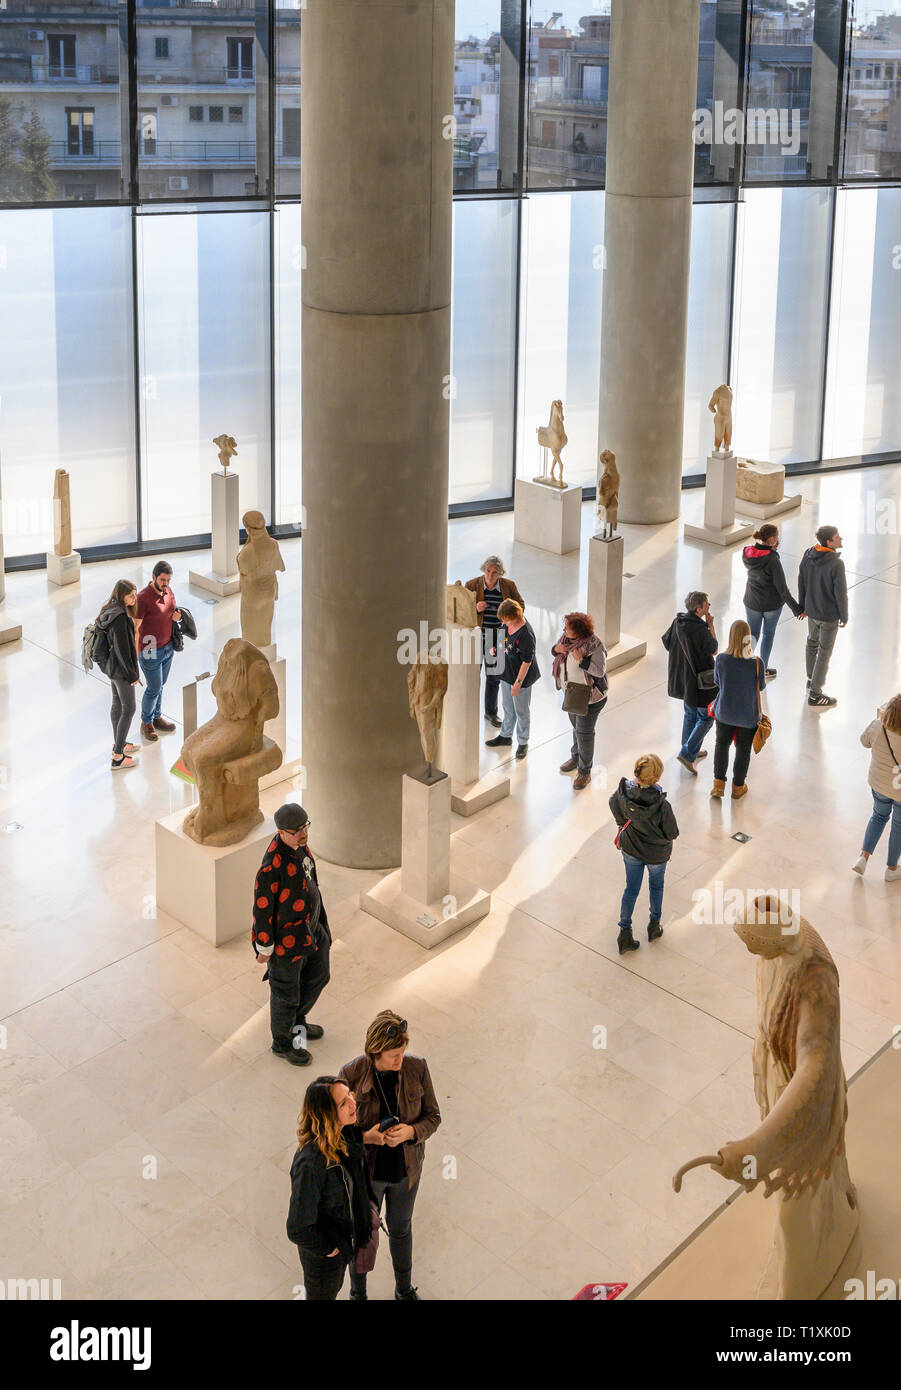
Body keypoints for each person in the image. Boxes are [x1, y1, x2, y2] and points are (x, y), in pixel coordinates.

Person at [339, 1011, 441, 1302]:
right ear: (375, 1050)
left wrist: (411, 1131)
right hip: (367, 1173)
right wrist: (369, 1137)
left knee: (401, 1229)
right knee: (362, 1234)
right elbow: (336, 1133)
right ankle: (358, 1293)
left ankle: (404, 1289)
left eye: (403, 1052)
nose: (400, 1060)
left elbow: (433, 1116)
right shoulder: (350, 1075)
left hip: (405, 1170)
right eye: (394, 1054)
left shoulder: (416, 1068)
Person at [252, 803, 331, 1066]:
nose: (302, 834)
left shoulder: (302, 848)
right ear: (281, 832)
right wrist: (264, 945)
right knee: (285, 992)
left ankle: (298, 1020)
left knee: (319, 976)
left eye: (304, 827)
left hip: (312, 928)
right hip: (288, 941)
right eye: (296, 831)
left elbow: (312, 882)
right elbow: (262, 908)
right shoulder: (271, 866)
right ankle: (283, 1042)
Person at [287, 1077, 376, 1301]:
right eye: (343, 1103)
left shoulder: (345, 1133)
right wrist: (330, 1249)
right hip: (324, 1260)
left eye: (350, 1096)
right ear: (326, 1114)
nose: (353, 1104)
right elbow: (297, 1228)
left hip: (344, 1242)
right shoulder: (311, 1164)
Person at [609, 754, 679, 955]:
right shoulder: (662, 805)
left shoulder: (624, 792)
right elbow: (672, 832)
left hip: (631, 849)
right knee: (656, 886)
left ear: (636, 772)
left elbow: (612, 803)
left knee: (631, 889)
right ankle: (654, 925)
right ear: (656, 778)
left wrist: (622, 823)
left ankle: (624, 932)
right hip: (657, 854)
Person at [709, 619, 768, 801]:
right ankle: (738, 787)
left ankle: (718, 785)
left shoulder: (721, 659)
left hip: (724, 712)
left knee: (721, 745)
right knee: (743, 750)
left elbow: (717, 682)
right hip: (747, 715)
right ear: (748, 638)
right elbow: (761, 687)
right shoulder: (757, 663)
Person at [661, 591, 718, 775]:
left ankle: (690, 749)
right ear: (699, 609)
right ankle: (687, 753)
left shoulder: (678, 622)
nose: (709, 606)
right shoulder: (701, 629)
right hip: (700, 682)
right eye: (707, 604)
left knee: (690, 714)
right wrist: (710, 625)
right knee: (707, 717)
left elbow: (667, 642)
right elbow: (714, 649)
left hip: (682, 678)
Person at [464, 557, 525, 728]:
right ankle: (467, 710)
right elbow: (460, 608)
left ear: (500, 573)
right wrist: (475, 607)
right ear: (484, 570)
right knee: (471, 674)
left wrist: (508, 614)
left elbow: (520, 605)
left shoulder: (508, 586)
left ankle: (490, 712)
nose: (490, 575)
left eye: (494, 572)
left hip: (497, 638)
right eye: (488, 571)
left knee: (493, 677)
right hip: (476, 635)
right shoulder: (471, 585)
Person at [552, 612, 608, 790]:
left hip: (590, 698)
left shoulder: (594, 645)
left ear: (578, 631)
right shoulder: (566, 639)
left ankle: (585, 771)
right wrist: (556, 650)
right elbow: (556, 651)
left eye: (567, 628)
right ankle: (576, 757)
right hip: (572, 693)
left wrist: (582, 660)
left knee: (584, 733)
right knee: (576, 727)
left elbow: (599, 671)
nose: (564, 630)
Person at [741, 523, 802, 679]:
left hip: (752, 602)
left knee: (752, 634)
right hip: (771, 606)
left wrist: (770, 549)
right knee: (768, 634)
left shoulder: (747, 553)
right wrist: (797, 609)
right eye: (777, 537)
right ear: (773, 539)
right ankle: (763, 669)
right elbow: (782, 589)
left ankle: (742, 665)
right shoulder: (772, 560)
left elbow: (759, 555)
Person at [95, 580, 143, 771]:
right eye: (130, 595)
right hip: (121, 671)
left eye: (135, 594)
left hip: (111, 667)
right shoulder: (121, 618)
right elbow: (124, 650)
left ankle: (120, 744)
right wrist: (132, 675)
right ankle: (117, 757)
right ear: (121, 595)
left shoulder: (109, 610)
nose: (134, 598)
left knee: (117, 705)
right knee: (129, 708)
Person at [798, 525, 847, 709]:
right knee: (824, 652)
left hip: (811, 610)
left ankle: (812, 680)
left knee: (812, 643)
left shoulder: (809, 553)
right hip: (828, 615)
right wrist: (844, 615)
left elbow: (801, 579)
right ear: (829, 542)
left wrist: (802, 605)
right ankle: (816, 694)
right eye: (837, 536)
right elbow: (840, 593)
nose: (841, 538)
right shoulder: (836, 563)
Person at [853, 696, 901, 882]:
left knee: (878, 816)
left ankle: (863, 857)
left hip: (879, 784)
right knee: (898, 826)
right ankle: (891, 868)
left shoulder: (877, 725)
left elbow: (864, 741)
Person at [485, 598, 539, 761]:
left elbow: (527, 661)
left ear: (516, 616)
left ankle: (523, 742)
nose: (504, 624)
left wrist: (518, 684)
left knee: (521, 711)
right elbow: (503, 640)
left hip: (521, 678)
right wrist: (496, 649)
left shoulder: (526, 634)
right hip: (507, 672)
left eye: (506, 620)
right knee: (507, 707)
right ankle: (506, 736)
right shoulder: (506, 624)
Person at [136, 560, 182, 740]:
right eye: (163, 580)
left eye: (168, 580)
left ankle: (156, 717)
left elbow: (172, 612)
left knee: (160, 685)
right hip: (149, 649)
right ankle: (146, 722)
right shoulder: (142, 598)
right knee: (154, 687)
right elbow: (135, 628)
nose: (166, 584)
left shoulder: (168, 591)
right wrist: (133, 658)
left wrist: (176, 616)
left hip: (167, 647)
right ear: (153, 577)